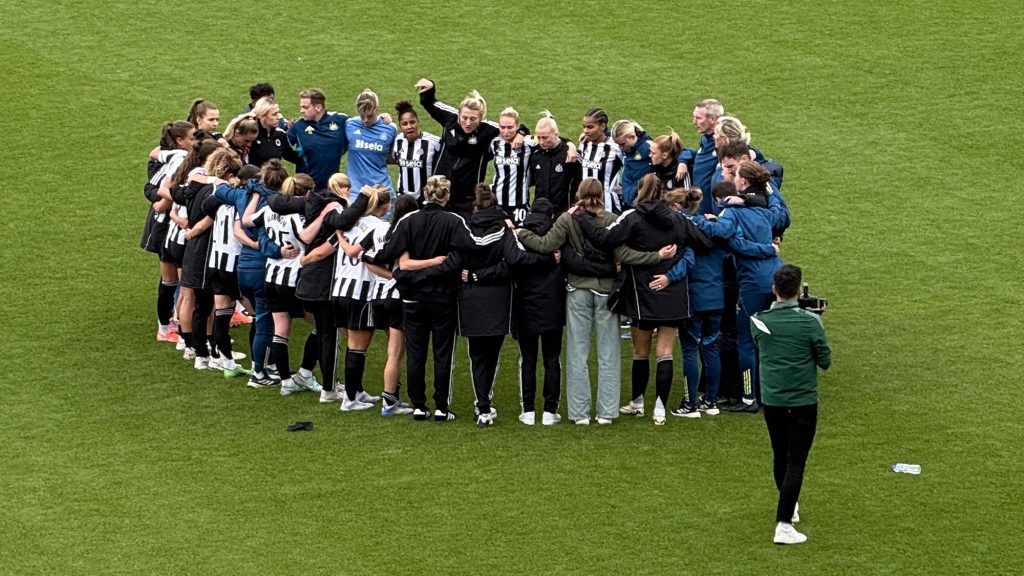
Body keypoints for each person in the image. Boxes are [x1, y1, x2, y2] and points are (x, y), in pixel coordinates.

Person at [516, 178, 678, 425]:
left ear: (579, 194)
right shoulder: (612, 219)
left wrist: (521, 232)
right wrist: (657, 256)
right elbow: (624, 254)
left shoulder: (567, 219)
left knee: (577, 353)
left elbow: (546, 244)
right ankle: (607, 412)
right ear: (602, 194)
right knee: (608, 353)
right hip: (607, 291)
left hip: (577, 289)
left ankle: (579, 413)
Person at [574, 173, 712, 425]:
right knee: (665, 351)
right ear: (662, 192)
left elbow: (605, 239)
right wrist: (678, 253)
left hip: (642, 291)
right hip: (672, 291)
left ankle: (637, 401)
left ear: (639, 191)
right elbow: (703, 242)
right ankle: (659, 408)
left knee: (640, 351)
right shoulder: (678, 218)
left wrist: (581, 217)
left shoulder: (632, 217)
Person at [370, 175, 502, 421]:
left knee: (416, 352)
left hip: (412, 299)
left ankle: (419, 405)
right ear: (447, 196)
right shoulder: (454, 221)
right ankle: (441, 407)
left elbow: (386, 251)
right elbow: (475, 245)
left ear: (425, 193)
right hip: (443, 298)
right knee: (443, 353)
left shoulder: (408, 220)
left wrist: (403, 270)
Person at [751, 264, 831, 545]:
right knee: (796, 460)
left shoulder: (758, 321)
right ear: (798, 291)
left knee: (779, 454)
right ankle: (783, 524)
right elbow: (825, 361)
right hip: (802, 400)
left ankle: (789, 503)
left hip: (773, 399)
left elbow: (765, 346)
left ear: (775, 290)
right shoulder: (810, 323)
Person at [696, 162, 784, 412]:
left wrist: (693, 220)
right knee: (772, 339)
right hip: (778, 276)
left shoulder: (732, 213)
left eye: (736, 175)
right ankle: (773, 393)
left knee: (746, 341)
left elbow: (723, 233)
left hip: (754, 283)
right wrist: (770, 189)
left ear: (743, 183)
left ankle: (748, 398)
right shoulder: (764, 210)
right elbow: (778, 211)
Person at [244, 168, 323, 397]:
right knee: (322, 326)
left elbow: (248, 220)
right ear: (306, 193)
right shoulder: (296, 215)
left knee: (281, 330)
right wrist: (323, 216)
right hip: (294, 278)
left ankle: (287, 382)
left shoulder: (269, 208)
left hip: (271, 277)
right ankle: (306, 373)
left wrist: (256, 196)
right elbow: (306, 237)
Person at [415, 77, 528, 217]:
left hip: (467, 199)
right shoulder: (450, 118)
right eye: (464, 117)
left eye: (473, 119)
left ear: (480, 119)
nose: (467, 123)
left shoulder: (488, 130)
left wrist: (521, 133)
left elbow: (511, 127)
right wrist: (430, 86)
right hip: (439, 192)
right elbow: (429, 102)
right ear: (459, 115)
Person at [663, 188, 725, 417]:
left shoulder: (686, 230)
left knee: (689, 350)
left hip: (695, 299)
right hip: (716, 297)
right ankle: (711, 402)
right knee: (710, 349)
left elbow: (686, 262)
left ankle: (689, 405)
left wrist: (666, 278)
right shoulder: (716, 228)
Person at [141, 121, 195, 343]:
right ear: (180, 141)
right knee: (172, 280)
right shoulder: (179, 158)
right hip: (164, 226)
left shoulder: (178, 155)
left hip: (171, 223)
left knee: (180, 280)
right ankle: (166, 329)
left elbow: (155, 153)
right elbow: (156, 191)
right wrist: (165, 201)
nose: (197, 141)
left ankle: (179, 327)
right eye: (193, 137)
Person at [287, 88, 349, 191]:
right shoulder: (298, 127)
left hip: (332, 189)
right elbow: (282, 145)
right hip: (307, 190)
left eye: (305, 107)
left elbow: (363, 124)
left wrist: (383, 118)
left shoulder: (340, 120)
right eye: (301, 107)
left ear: (318, 107)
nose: (301, 110)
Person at [346, 90, 398, 199]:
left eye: (369, 116)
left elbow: (393, 156)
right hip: (355, 194)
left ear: (377, 109)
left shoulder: (390, 128)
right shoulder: (350, 124)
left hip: (381, 193)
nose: (365, 120)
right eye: (362, 116)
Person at [488, 107, 534, 224]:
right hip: (495, 202)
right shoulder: (494, 142)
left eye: (510, 127)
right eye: (502, 127)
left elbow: (550, 137)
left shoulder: (528, 143)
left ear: (517, 126)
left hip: (519, 204)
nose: (506, 131)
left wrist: (571, 145)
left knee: (518, 236)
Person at [530, 112, 581, 215]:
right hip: (540, 212)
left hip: (563, 213)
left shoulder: (570, 155)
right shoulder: (536, 153)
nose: (541, 142)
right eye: (538, 137)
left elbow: (580, 183)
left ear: (556, 134)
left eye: (545, 137)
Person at [390, 100, 440, 200]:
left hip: (427, 200)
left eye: (412, 122)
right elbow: (391, 158)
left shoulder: (433, 142)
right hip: (403, 198)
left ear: (418, 122)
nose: (409, 127)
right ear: (400, 126)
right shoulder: (397, 141)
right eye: (404, 124)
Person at [675, 99, 724, 197]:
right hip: (698, 201)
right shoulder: (705, 138)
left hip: (711, 205)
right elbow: (696, 153)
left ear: (713, 119)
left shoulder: (723, 142)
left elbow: (745, 151)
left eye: (698, 118)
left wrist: (753, 152)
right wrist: (683, 161)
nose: (694, 122)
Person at [577, 108, 622, 213]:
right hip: (585, 209)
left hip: (608, 209)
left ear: (603, 126)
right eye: (584, 127)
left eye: (590, 127)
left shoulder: (615, 147)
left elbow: (631, 166)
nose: (585, 131)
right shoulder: (584, 144)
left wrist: (623, 187)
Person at [610, 119, 652, 208]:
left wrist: (683, 161)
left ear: (632, 137)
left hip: (642, 203)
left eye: (622, 144)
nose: (620, 147)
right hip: (628, 201)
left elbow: (673, 151)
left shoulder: (648, 148)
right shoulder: (629, 148)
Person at [248, 97, 300, 169]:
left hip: (275, 179)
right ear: (262, 116)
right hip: (254, 179)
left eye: (278, 113)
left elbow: (292, 156)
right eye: (274, 114)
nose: (278, 117)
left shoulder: (280, 134)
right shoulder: (250, 136)